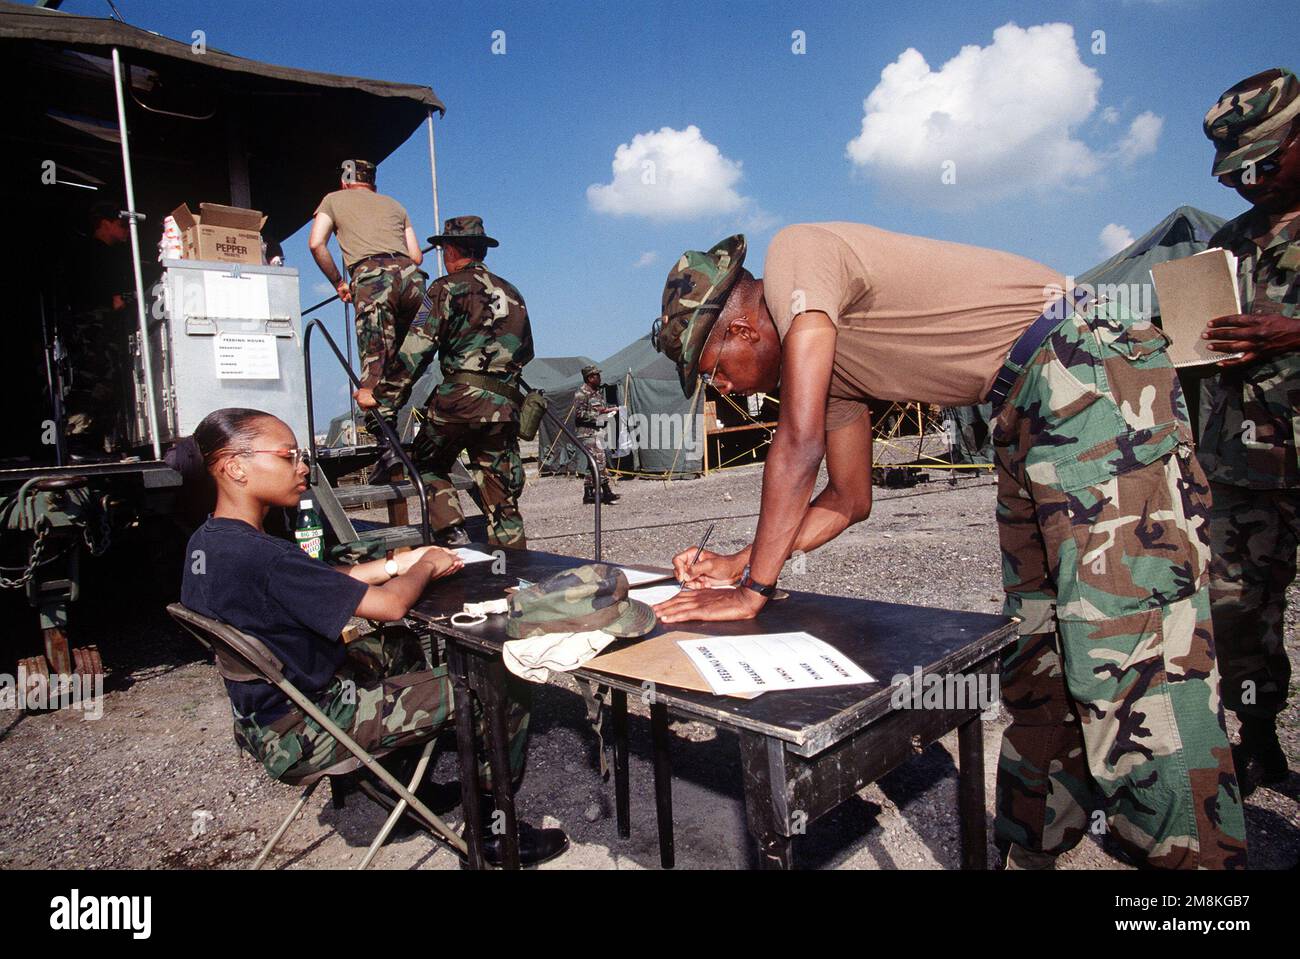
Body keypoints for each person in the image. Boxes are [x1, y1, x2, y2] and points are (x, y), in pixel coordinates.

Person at [649, 228, 1247, 869]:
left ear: (740, 329)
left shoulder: (799, 254)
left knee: (1129, 651)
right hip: (1023, 405)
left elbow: (798, 443)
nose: (725, 392)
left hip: (1086, 366)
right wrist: (741, 561)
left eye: (712, 372)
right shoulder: (836, 372)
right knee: (1038, 649)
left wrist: (754, 591)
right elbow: (849, 500)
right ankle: (1036, 848)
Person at [179, 407, 567, 865]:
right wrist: (424, 565)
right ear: (234, 467)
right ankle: (491, 836)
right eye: (288, 456)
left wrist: (393, 565)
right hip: (309, 727)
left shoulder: (212, 543)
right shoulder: (262, 555)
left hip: (265, 716)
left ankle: (401, 794)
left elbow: (318, 581)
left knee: (398, 644)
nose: (303, 466)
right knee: (500, 679)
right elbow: (389, 606)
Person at [1198, 67, 1300, 795]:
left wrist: (1288, 333)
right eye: (1237, 172)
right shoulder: (1229, 243)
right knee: (1239, 618)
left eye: (1264, 162)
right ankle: (1259, 744)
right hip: (1247, 467)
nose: (1249, 182)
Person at [356, 216, 534, 549]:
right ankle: (516, 577)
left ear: (451, 249)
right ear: (482, 250)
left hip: (458, 403)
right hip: (503, 407)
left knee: (426, 461)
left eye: (444, 249)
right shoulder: (513, 293)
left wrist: (382, 400)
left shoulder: (444, 289)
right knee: (501, 497)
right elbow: (526, 351)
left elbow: (414, 352)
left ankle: (451, 530)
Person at [308, 160, 426, 476]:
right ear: (372, 181)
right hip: (414, 282)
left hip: (373, 280)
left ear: (346, 179)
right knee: (403, 362)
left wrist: (338, 282)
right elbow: (417, 256)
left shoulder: (333, 199)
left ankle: (389, 452)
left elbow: (316, 243)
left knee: (375, 366)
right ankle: (410, 441)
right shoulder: (396, 204)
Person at [63, 201, 134, 458]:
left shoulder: (85, 252)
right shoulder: (99, 254)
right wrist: (132, 298)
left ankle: (87, 442)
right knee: (95, 380)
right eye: (122, 224)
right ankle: (79, 440)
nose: (127, 230)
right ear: (106, 222)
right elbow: (114, 302)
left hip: (90, 326)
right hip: (95, 327)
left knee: (99, 380)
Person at [574, 365, 620, 505]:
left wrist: (608, 411)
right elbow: (579, 414)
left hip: (597, 431)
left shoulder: (597, 393)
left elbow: (599, 409)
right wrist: (599, 414)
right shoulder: (581, 393)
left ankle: (588, 494)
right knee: (600, 461)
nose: (600, 378)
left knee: (593, 463)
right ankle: (605, 491)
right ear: (590, 378)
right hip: (587, 433)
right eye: (597, 376)